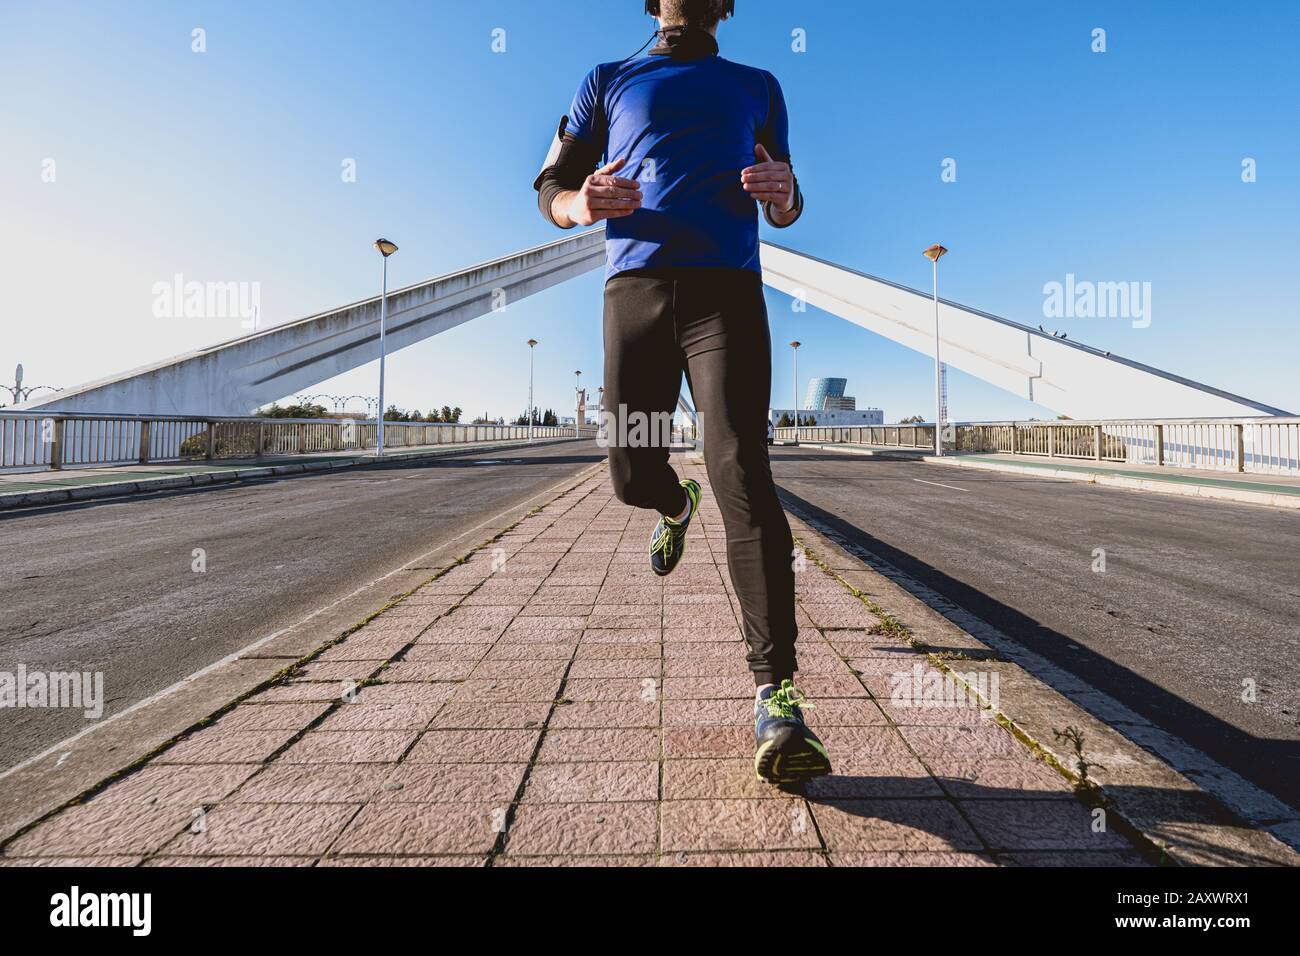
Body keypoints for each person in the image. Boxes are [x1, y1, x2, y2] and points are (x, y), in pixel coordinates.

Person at [533, 0, 830, 784]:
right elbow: (551, 185)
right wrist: (578, 204)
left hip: (727, 295)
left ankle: (778, 694)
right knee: (630, 472)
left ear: (726, 5)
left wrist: (785, 194)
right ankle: (672, 505)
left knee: (742, 472)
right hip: (633, 289)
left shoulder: (759, 85)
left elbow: (790, 200)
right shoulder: (607, 78)